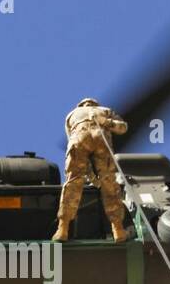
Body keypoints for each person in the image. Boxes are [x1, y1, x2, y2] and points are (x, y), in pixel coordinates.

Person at [54, 98, 128, 242]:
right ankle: (117, 228)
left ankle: (63, 228)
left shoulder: (72, 114)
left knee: (74, 181)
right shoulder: (105, 110)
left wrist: (105, 122)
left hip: (80, 139)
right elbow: (122, 127)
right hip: (98, 140)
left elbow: (70, 136)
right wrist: (106, 122)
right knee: (109, 183)